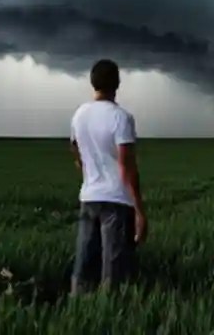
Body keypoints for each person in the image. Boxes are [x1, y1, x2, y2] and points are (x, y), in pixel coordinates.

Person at [69, 58, 146, 294]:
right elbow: (127, 165)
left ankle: (78, 313)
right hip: (117, 202)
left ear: (93, 83)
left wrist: (90, 174)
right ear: (117, 83)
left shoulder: (79, 115)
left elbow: (75, 152)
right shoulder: (121, 118)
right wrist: (140, 210)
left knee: (83, 268)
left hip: (89, 198)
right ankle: (109, 316)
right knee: (113, 273)